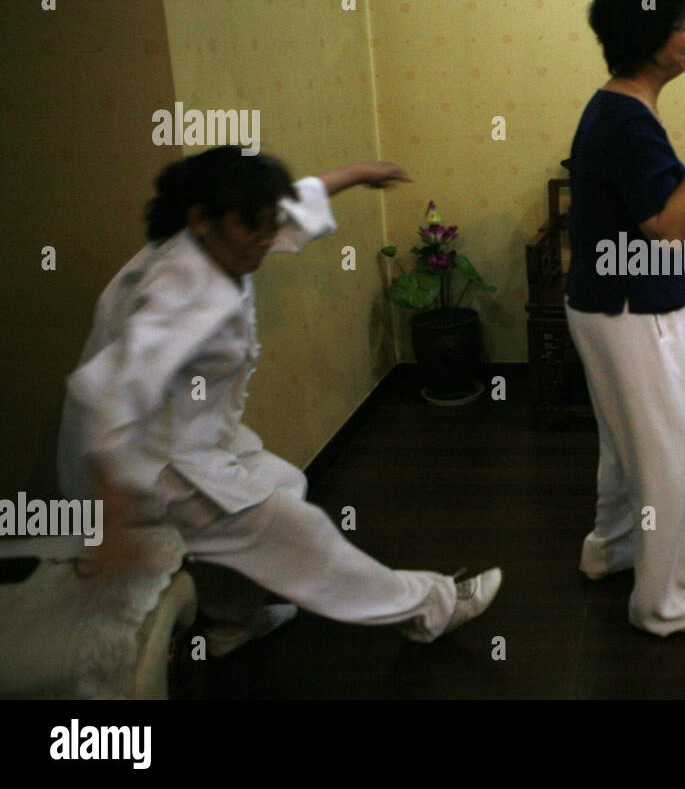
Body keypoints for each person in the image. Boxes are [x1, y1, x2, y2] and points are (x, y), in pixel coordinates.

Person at [57, 146, 500, 655]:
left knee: (286, 483)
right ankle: (431, 608)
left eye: (270, 225)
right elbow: (107, 396)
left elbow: (298, 201)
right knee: (300, 535)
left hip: (191, 433)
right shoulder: (184, 287)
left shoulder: (212, 235)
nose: (266, 242)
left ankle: (229, 624)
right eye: (254, 229)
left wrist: (360, 173)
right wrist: (109, 523)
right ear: (203, 218)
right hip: (150, 465)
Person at [565, 0, 685, 636]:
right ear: (651, 36)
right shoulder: (626, 119)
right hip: (633, 310)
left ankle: (609, 551)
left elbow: (655, 197)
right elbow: (670, 230)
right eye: (683, 24)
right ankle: (663, 603)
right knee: (669, 457)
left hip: (603, 302)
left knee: (622, 445)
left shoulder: (617, 105)